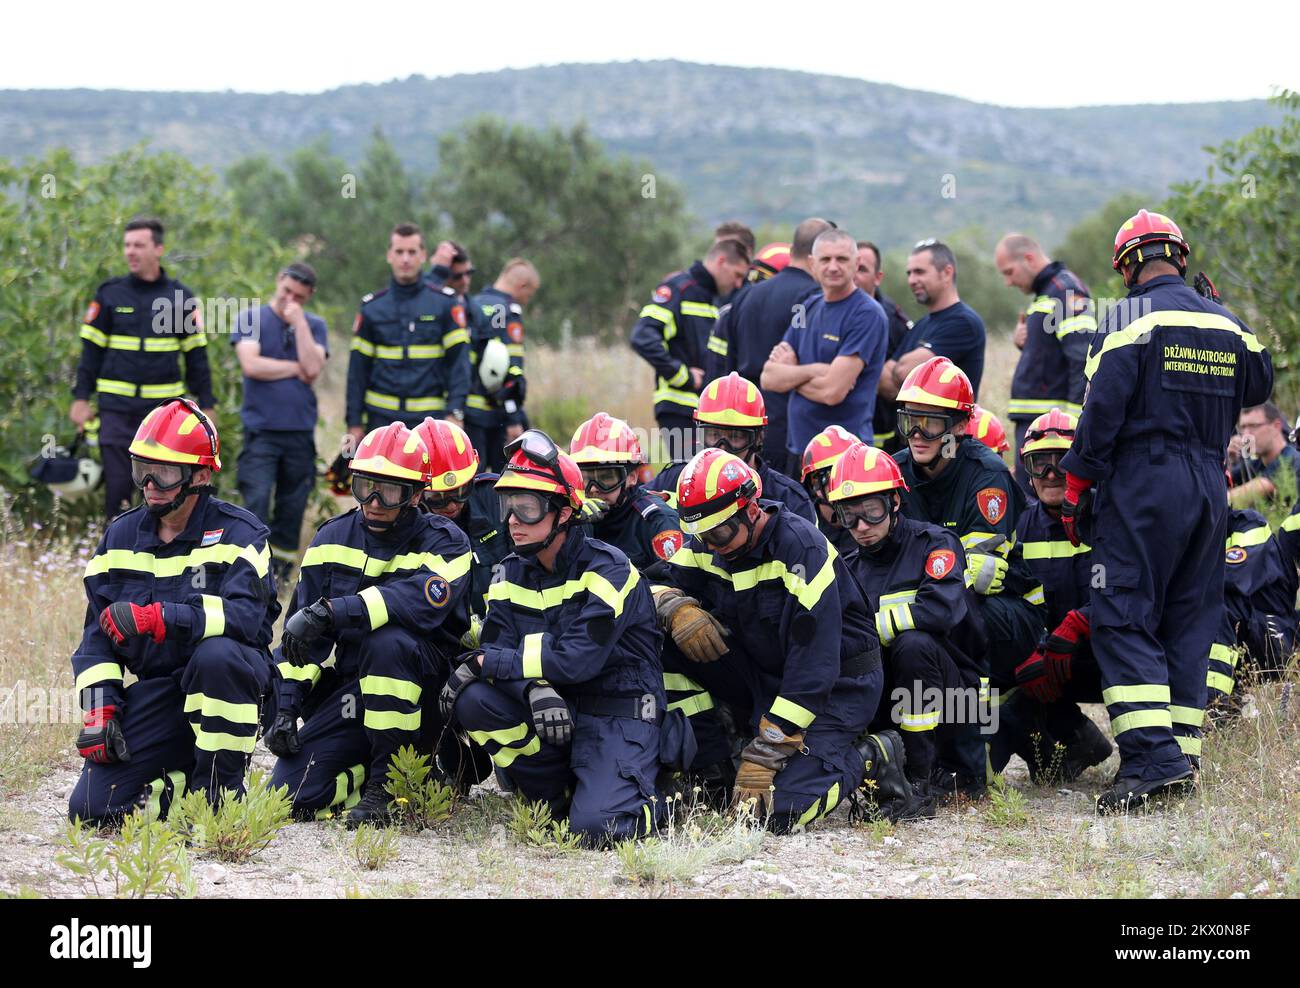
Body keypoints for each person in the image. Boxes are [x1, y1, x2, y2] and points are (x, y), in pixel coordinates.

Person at [1059, 209, 1273, 813]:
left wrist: (1078, 483)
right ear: (1180, 256)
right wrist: (1221, 311)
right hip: (1210, 482)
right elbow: (1259, 384)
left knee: (1124, 611)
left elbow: (1100, 412)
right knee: (1190, 614)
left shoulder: (1125, 318)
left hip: (1144, 482)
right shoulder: (1225, 321)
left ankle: (1153, 761)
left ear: (1127, 266)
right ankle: (1182, 753)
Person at [655, 447, 921, 829]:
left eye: (719, 533)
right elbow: (647, 584)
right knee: (663, 639)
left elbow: (815, 667)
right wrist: (674, 606)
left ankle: (872, 753)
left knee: (776, 815)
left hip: (836, 687)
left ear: (750, 509)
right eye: (701, 534)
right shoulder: (710, 539)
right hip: (768, 676)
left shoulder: (802, 550)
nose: (710, 545)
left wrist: (768, 748)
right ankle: (712, 765)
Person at [440, 431, 674, 845]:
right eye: (508, 506)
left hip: (618, 713)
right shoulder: (510, 573)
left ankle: (656, 792)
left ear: (565, 513)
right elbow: (498, 648)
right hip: (558, 709)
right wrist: (531, 687)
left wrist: (486, 664)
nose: (513, 520)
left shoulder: (609, 571)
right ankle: (550, 793)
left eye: (527, 508)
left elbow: (575, 660)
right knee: (474, 699)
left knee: (596, 832)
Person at [68, 400, 279, 825]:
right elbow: (96, 639)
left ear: (200, 476)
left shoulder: (242, 535)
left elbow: (246, 620)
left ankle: (222, 793)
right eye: (141, 468)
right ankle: (190, 785)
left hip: (232, 686)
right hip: (165, 694)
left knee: (216, 655)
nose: (149, 484)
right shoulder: (120, 537)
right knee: (92, 810)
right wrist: (101, 705)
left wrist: (164, 617)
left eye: (164, 472)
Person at [267, 422, 474, 827]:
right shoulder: (330, 538)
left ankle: (388, 785)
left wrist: (334, 610)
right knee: (292, 796)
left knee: (388, 641)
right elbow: (301, 641)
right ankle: (397, 775)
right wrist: (285, 705)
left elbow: (418, 603)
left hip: (423, 695)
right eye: (366, 486)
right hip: (356, 692)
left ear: (416, 495)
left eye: (391, 490)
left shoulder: (446, 541)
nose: (375, 501)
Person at [892, 356, 1047, 796]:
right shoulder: (897, 471)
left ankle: (964, 768)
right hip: (938, 600)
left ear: (960, 426)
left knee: (957, 612)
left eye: (929, 423)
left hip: (1011, 614)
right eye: (909, 421)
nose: (917, 435)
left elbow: (973, 577)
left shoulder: (987, 477)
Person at [829, 442, 984, 808]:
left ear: (895, 502)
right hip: (890, 697)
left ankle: (921, 776)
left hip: (955, 703)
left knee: (912, 645)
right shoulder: (848, 566)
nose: (862, 526)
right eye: (849, 516)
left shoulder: (935, 544)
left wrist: (872, 631)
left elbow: (940, 611)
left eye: (872, 511)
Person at [71, 217, 216, 519]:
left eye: (139, 245)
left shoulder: (180, 298)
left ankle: (158, 557)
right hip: (115, 412)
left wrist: (208, 405)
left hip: (164, 414)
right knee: (119, 485)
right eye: (127, 245)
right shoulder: (110, 294)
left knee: (163, 488)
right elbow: (90, 354)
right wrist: (81, 399)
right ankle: (116, 556)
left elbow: (196, 357)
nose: (130, 252)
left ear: (158, 249)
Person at [1009, 409, 1114, 782]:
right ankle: (1075, 741)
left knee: (1128, 651)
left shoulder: (1111, 517)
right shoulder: (1020, 527)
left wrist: (1079, 624)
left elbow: (1124, 595)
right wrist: (1033, 647)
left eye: (1062, 463)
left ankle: (1142, 760)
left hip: (1106, 649)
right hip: (1052, 654)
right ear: (1027, 471)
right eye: (1041, 465)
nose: (1051, 475)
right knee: (1005, 672)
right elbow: (1014, 603)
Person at [706, 220, 832, 477]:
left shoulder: (745, 297)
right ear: (815, 257)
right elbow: (819, 374)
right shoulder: (814, 299)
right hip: (794, 434)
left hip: (745, 431)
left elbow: (729, 373)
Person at [232, 262, 329, 587]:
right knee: (256, 500)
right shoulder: (252, 318)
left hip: (299, 433)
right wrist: (294, 366)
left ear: (309, 296)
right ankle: (252, 575)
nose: (290, 300)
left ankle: (283, 578)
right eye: (287, 291)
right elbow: (251, 364)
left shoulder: (314, 325)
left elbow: (313, 369)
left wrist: (299, 322)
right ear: (278, 281)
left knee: (292, 506)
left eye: (299, 297)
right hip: (261, 432)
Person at [761, 228, 889, 461]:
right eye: (825, 259)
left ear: (856, 262)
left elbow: (832, 392)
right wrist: (815, 371)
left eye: (841, 259)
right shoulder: (808, 307)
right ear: (812, 263)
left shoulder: (867, 314)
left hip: (844, 457)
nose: (833, 266)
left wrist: (791, 376)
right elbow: (769, 378)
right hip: (799, 450)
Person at [345, 223, 471, 441]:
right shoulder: (372, 307)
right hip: (381, 422)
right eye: (399, 252)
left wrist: (455, 412)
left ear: (423, 255)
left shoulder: (444, 303)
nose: (405, 259)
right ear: (389, 255)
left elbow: (459, 365)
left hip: (431, 423)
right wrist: (353, 422)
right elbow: (357, 371)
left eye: (412, 252)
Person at [630, 239, 751, 459]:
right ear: (721, 261)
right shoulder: (679, 289)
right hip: (680, 408)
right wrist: (683, 375)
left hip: (709, 414)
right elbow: (643, 336)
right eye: (737, 274)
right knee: (690, 480)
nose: (738, 284)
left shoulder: (716, 297)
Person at [995, 233, 1096, 492]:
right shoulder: (1048, 293)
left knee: (1042, 507)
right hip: (1038, 424)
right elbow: (1050, 355)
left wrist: (1074, 426)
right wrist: (1024, 344)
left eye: (1009, 272)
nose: (1007, 282)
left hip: (1051, 431)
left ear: (1028, 258)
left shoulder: (1066, 291)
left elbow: (1083, 359)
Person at [652, 372, 816, 524]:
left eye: (735, 437)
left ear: (758, 438)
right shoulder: (672, 480)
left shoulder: (790, 499)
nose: (722, 449)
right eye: (714, 436)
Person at [414, 417, 511, 619]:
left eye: (460, 492)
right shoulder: (404, 525)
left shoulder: (498, 500)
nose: (451, 505)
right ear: (416, 493)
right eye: (437, 498)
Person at [569, 412, 684, 569]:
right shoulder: (570, 520)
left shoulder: (657, 522)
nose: (594, 488)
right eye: (585, 479)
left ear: (632, 477)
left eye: (606, 477)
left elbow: (680, 580)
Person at [879, 240, 986, 403]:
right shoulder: (922, 324)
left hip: (947, 427)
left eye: (919, 272)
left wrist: (901, 376)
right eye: (909, 273)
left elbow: (901, 371)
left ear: (947, 273)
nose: (912, 280)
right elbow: (884, 380)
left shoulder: (963, 323)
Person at [467, 258, 540, 472]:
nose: (528, 299)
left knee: (472, 478)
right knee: (508, 481)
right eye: (530, 293)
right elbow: (512, 370)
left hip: (470, 411)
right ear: (522, 286)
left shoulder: (473, 304)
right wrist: (513, 418)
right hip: (498, 413)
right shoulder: (509, 311)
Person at [855, 241, 913, 451]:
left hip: (882, 437)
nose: (854, 275)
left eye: (862, 269)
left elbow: (896, 386)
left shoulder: (893, 321)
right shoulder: (825, 311)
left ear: (877, 278)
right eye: (851, 267)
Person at [799, 424, 862, 556]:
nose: (847, 482)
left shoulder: (874, 521)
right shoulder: (803, 527)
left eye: (852, 472)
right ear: (814, 484)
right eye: (834, 475)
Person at [1227, 403, 1300, 506]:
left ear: (1276, 426)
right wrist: (1228, 459)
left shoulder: (1292, 458)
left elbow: (1261, 487)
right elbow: (1225, 482)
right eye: (1243, 427)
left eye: (1253, 426)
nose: (1246, 433)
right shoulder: (1256, 464)